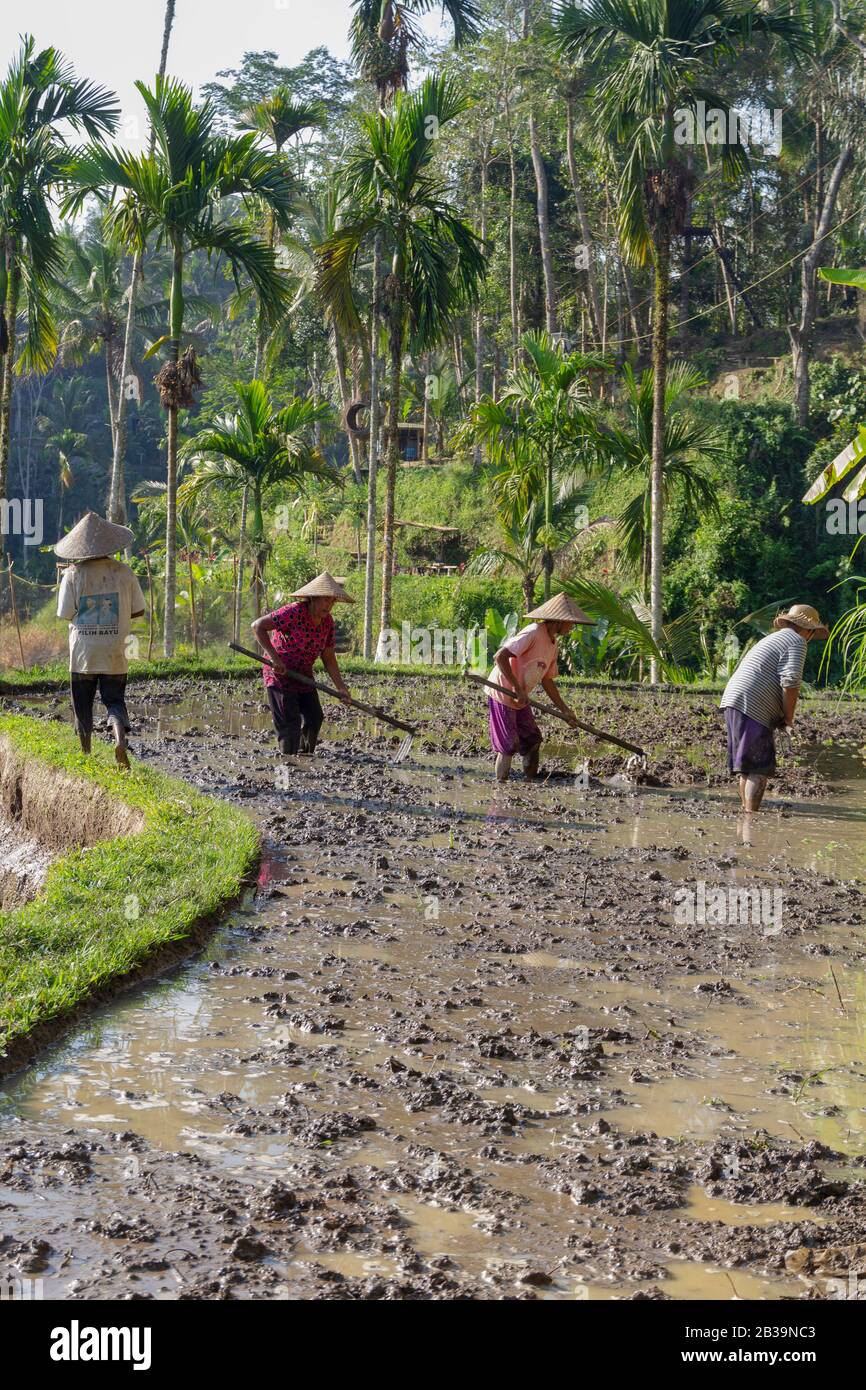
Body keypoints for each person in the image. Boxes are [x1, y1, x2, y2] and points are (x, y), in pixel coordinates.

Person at [55, 511, 146, 769]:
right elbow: (138, 610)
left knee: (82, 702)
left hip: (84, 650)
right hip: (116, 648)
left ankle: (86, 753)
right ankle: (119, 740)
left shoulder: (72, 574)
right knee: (114, 700)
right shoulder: (124, 572)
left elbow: (66, 614)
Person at [720, 603, 828, 813]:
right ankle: (751, 818)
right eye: (812, 633)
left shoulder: (773, 638)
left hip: (734, 700)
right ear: (807, 630)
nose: (810, 637)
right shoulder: (797, 641)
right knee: (759, 768)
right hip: (752, 704)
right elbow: (790, 682)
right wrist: (788, 718)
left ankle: (746, 815)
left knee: (747, 768)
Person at [487, 592, 594, 781]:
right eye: (570, 623)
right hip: (502, 692)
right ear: (558, 621)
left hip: (520, 697)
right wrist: (517, 689)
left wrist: (565, 710)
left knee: (532, 740)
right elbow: (500, 657)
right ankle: (500, 789)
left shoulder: (553, 645)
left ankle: (530, 782)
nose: (572, 627)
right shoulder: (533, 632)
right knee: (509, 745)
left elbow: (547, 680)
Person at [252, 571, 353, 757]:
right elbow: (258, 626)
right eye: (324, 600)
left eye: (332, 601)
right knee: (289, 724)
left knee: (315, 717)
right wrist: (275, 659)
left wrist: (341, 688)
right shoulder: (294, 612)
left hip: (304, 676)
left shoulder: (327, 623)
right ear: (313, 598)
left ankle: (304, 757)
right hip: (280, 675)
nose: (328, 605)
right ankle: (288, 761)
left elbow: (329, 658)